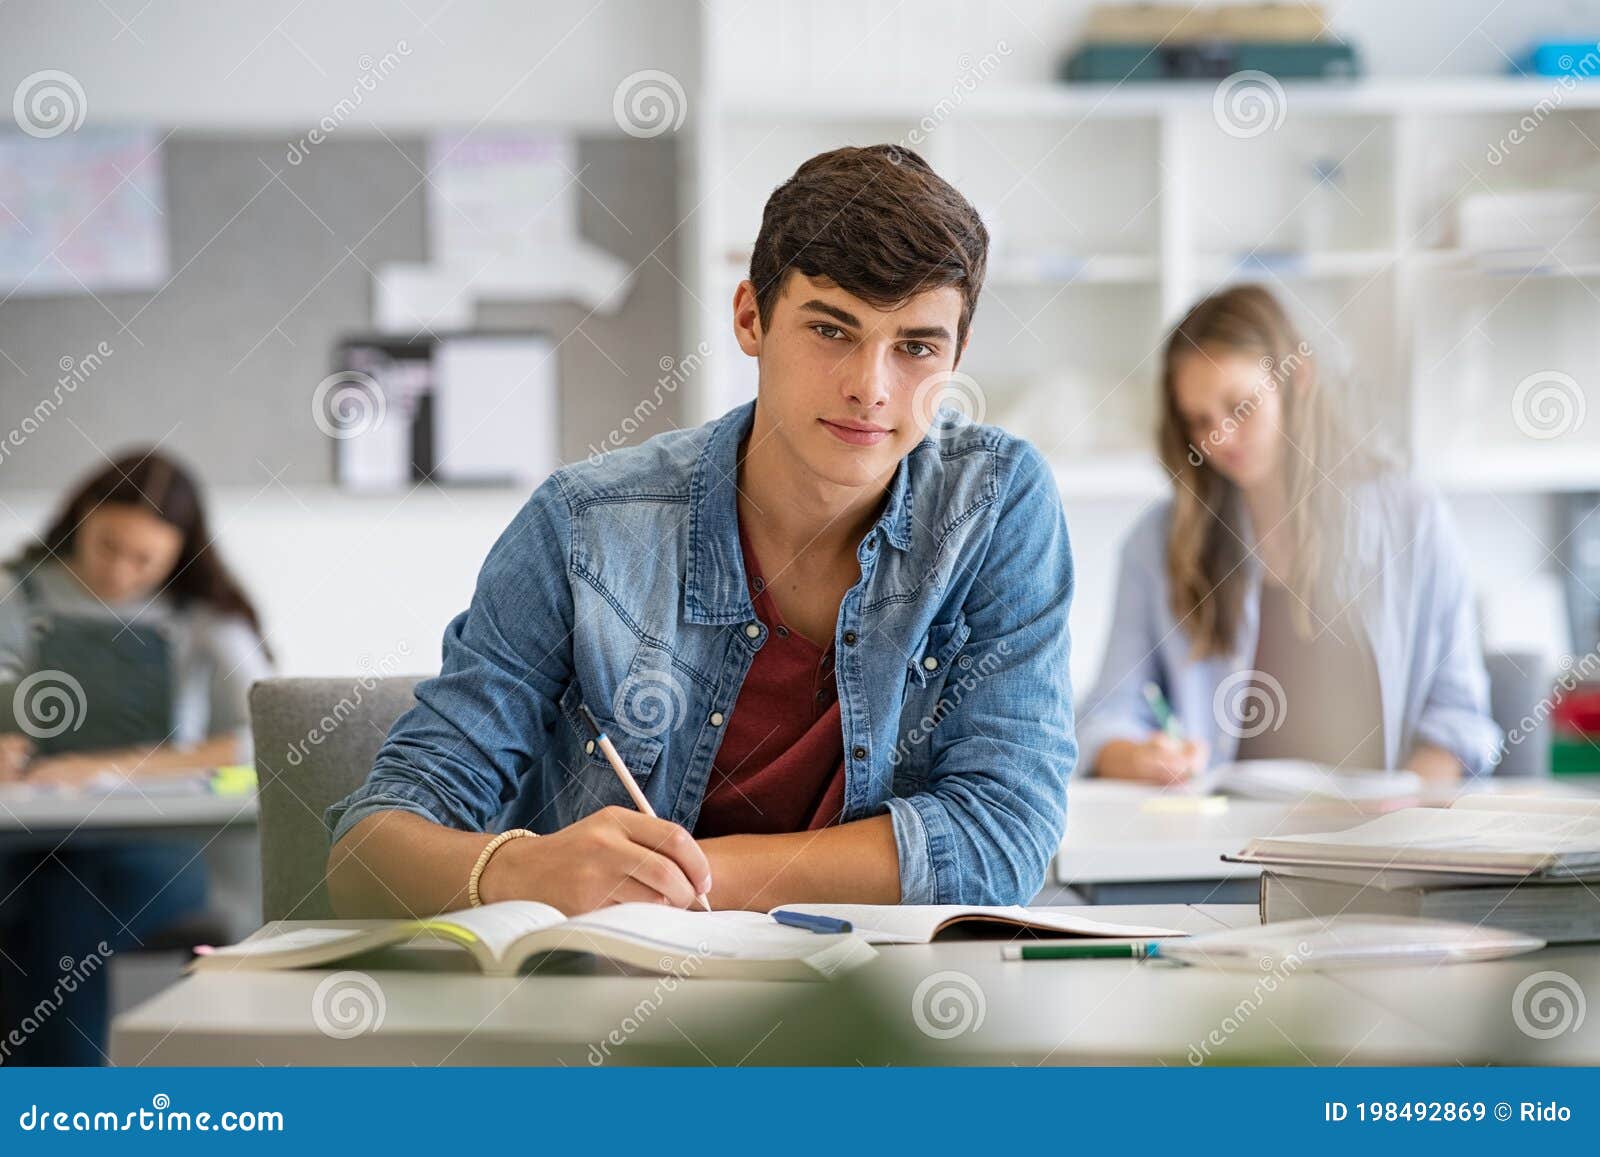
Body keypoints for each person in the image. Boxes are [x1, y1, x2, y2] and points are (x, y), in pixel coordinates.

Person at [325, 144, 1076, 918]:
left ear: (958, 355)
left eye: (916, 347)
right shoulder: (584, 530)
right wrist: (527, 871)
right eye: (831, 330)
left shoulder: (992, 504)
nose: (871, 388)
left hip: (890, 1012)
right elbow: (365, 853)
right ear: (751, 317)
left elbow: (1003, 839)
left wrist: (674, 881)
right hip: (622, 1013)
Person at [1078, 285, 1500, 786]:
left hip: (1380, 845)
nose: (1219, 438)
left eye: (1240, 407)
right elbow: (1105, 719)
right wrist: (1140, 757)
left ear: (1298, 380)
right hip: (1219, 850)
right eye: (1198, 420)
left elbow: (1459, 722)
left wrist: (1400, 823)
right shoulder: (1156, 543)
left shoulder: (1413, 519)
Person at [0, 449, 273, 1065]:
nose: (121, 572)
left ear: (180, 554)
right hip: (22, 840)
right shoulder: (16, 590)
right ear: (79, 521)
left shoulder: (202, 612)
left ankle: (54, 1111)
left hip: (146, 850)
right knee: (40, 902)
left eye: (144, 559)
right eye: (107, 546)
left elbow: (263, 730)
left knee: (59, 914)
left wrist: (113, 766)